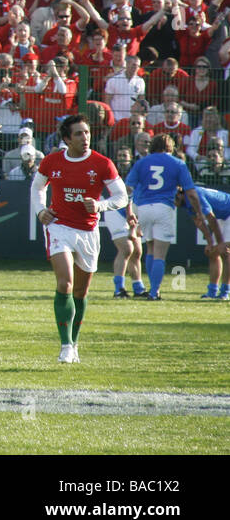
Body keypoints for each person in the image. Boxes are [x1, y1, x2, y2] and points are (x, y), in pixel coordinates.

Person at [31, 115, 130, 363]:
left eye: (86, 132)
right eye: (78, 134)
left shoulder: (102, 163)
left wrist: (100, 205)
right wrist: (40, 211)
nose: (85, 138)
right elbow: (37, 187)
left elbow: (121, 197)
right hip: (58, 226)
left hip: (88, 231)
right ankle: (64, 345)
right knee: (65, 283)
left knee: (80, 291)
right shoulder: (52, 161)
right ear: (66, 139)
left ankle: (74, 343)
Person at [125, 133, 203, 300]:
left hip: (144, 208)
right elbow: (191, 192)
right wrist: (198, 212)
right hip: (164, 208)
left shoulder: (142, 162)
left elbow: (128, 188)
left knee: (151, 249)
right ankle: (154, 292)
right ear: (170, 147)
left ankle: (152, 289)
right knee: (160, 253)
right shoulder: (178, 163)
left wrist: (128, 210)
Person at [99, 200, 147, 299]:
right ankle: (119, 289)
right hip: (117, 211)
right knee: (126, 248)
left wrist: (137, 227)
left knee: (137, 251)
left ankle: (139, 288)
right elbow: (128, 194)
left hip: (134, 213)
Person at [191, 186, 230, 300]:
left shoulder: (195, 194)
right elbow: (198, 222)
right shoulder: (187, 200)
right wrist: (210, 242)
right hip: (223, 216)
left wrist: (219, 243)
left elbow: (211, 218)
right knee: (212, 253)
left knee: (225, 252)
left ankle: (224, 292)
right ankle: (212, 292)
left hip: (227, 213)